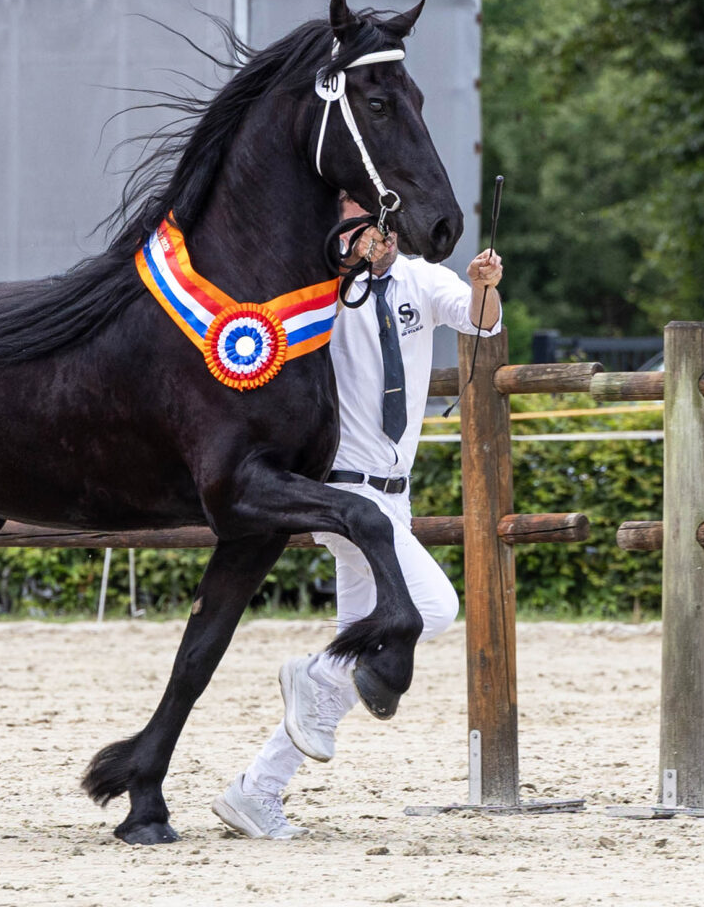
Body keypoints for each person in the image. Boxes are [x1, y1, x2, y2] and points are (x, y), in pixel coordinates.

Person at [211, 196, 504, 839]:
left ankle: (255, 791)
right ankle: (310, 675)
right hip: (343, 493)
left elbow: (479, 325)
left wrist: (484, 287)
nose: (382, 233)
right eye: (366, 221)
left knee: (355, 655)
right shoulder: (322, 296)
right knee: (432, 608)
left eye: (386, 222)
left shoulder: (423, 279)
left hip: (394, 492)